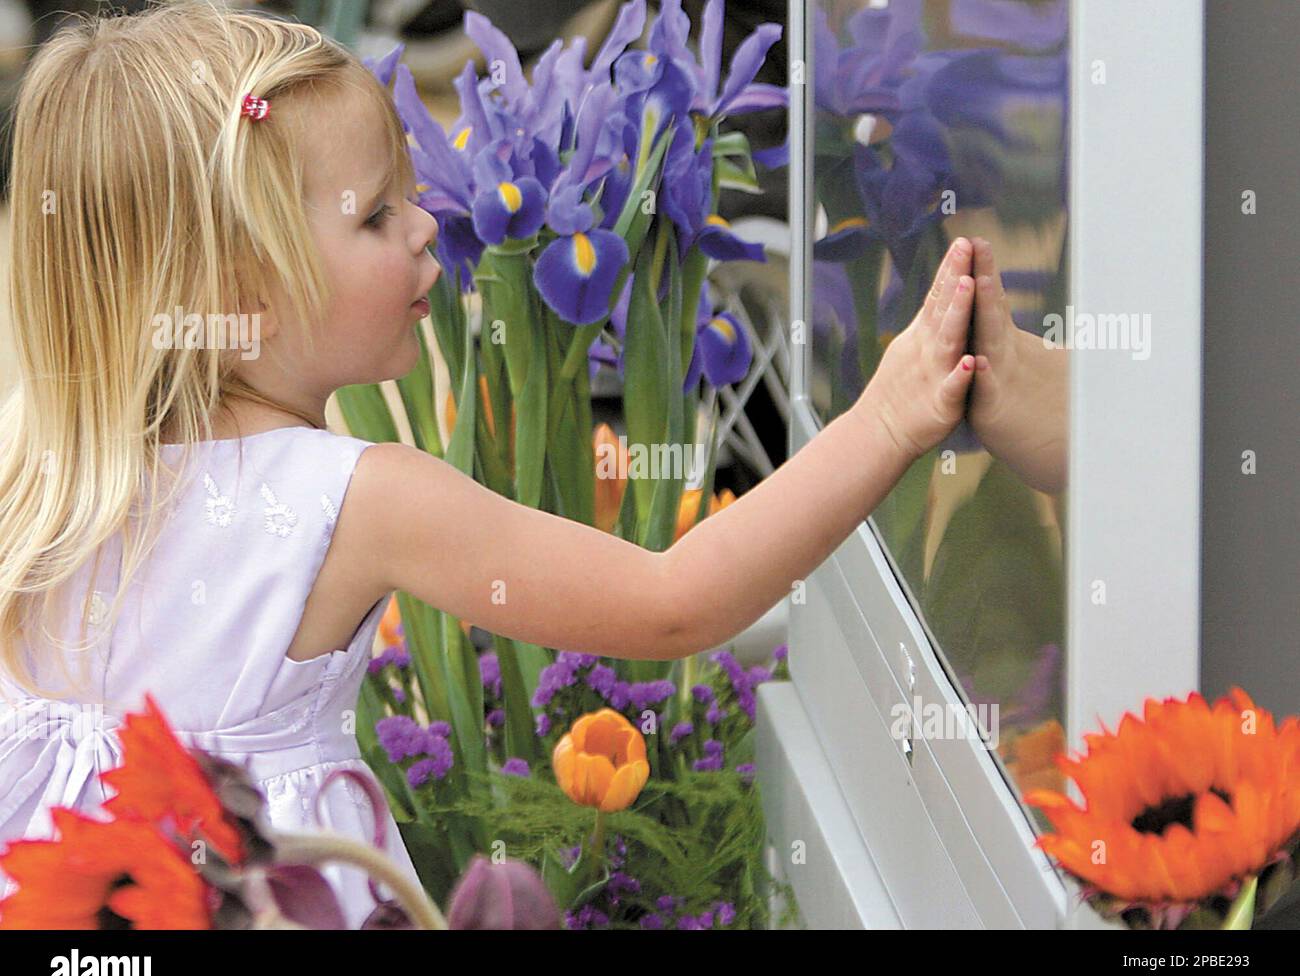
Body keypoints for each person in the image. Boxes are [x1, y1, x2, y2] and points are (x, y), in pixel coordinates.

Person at [0, 1, 991, 927]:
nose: (428, 221)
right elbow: (672, 603)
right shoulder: (357, 497)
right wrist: (888, 416)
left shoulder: (36, 476)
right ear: (242, 291)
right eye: (375, 215)